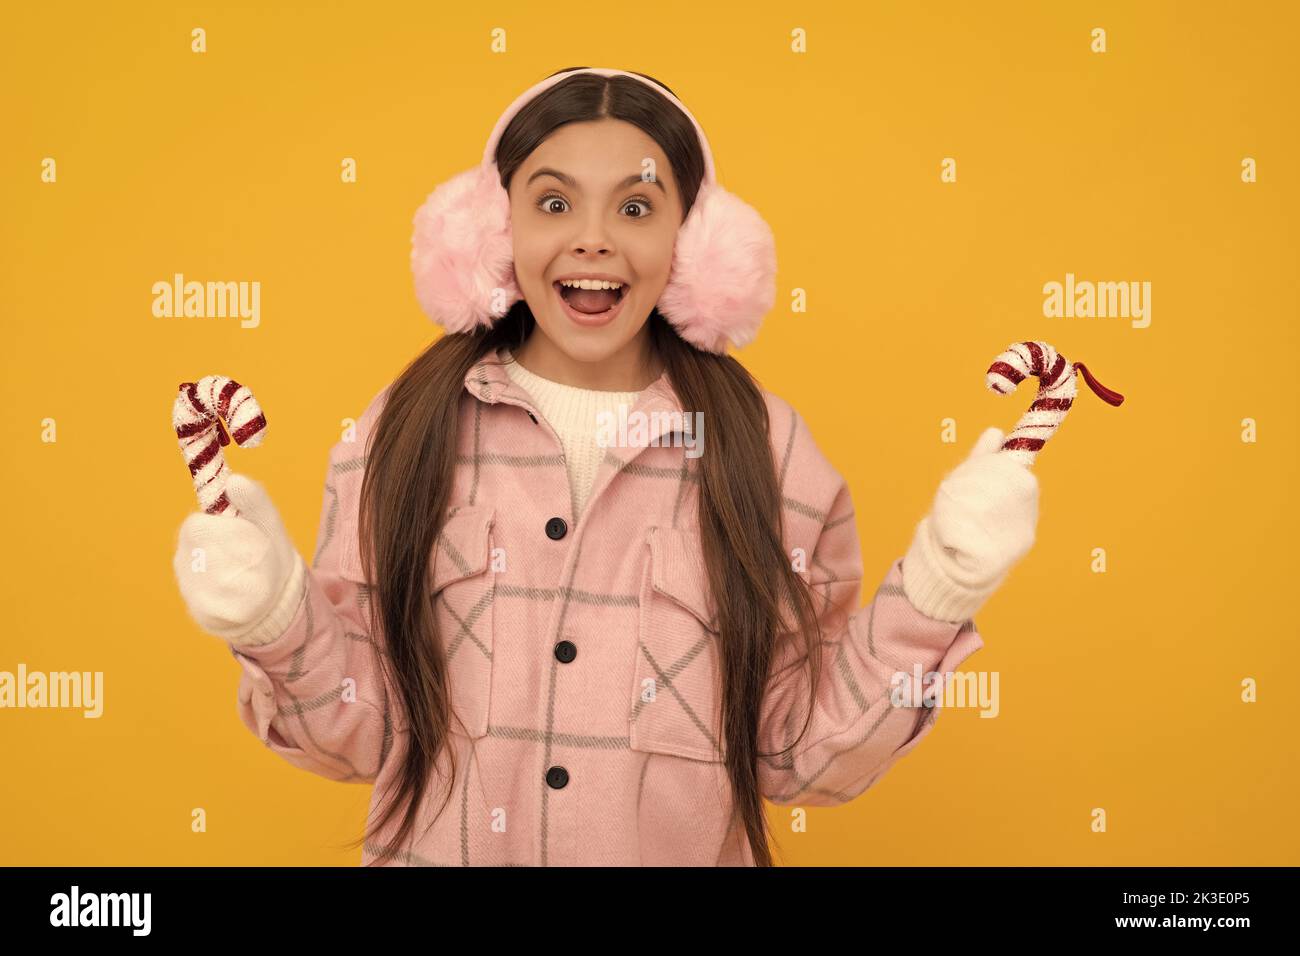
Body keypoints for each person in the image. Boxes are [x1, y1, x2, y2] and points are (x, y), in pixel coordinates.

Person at [172, 66, 1038, 867]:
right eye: (553, 203)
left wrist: (939, 585)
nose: (592, 240)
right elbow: (360, 739)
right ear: (491, 230)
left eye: (635, 207)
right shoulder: (404, 432)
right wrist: (272, 616)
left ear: (694, 244)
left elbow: (798, 756)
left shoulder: (768, 454)